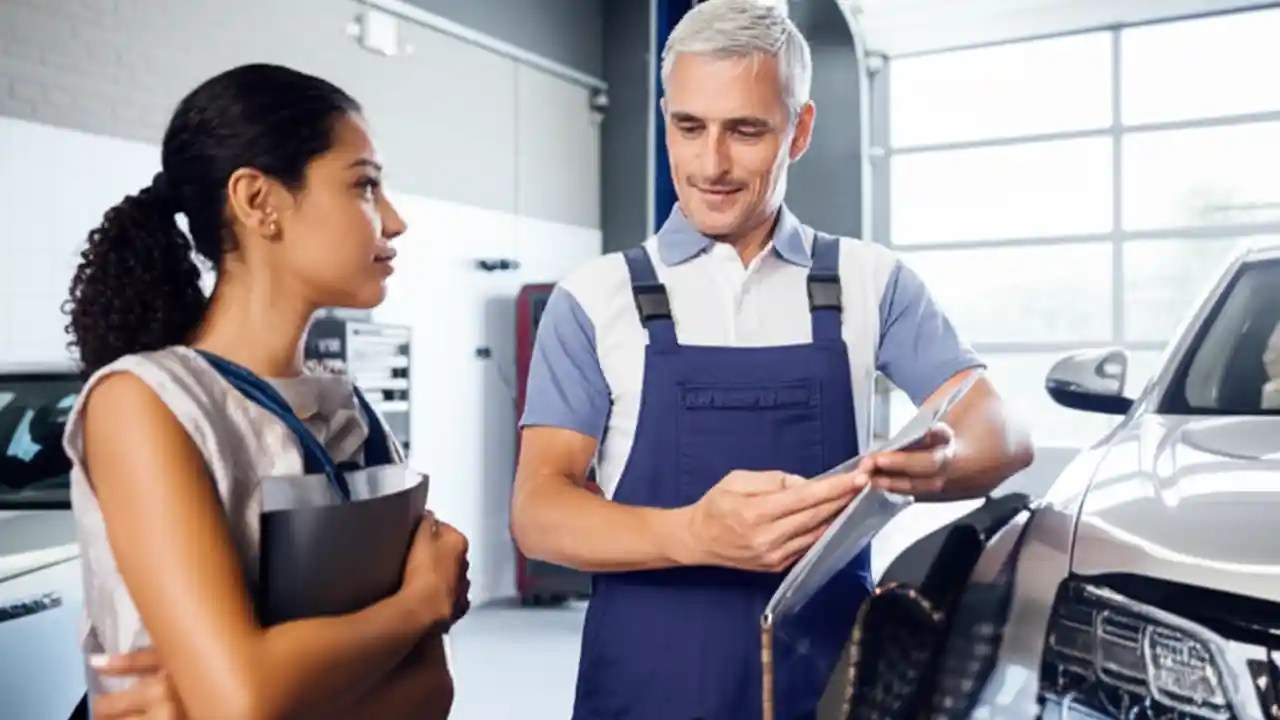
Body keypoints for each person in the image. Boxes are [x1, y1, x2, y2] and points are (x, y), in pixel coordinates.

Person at [509, 1, 1034, 718]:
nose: (711, 164)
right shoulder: (595, 298)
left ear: (799, 130)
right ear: (665, 118)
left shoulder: (868, 283)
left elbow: (1003, 432)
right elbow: (539, 511)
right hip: (643, 691)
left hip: (824, 691)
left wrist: (938, 466)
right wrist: (692, 532)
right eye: (688, 127)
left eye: (746, 130)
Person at [61, 63, 468, 719]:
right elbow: (244, 698)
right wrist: (420, 603)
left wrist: (256, 690)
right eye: (364, 186)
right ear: (257, 201)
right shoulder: (146, 402)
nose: (393, 222)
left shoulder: (355, 417)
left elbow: (429, 693)